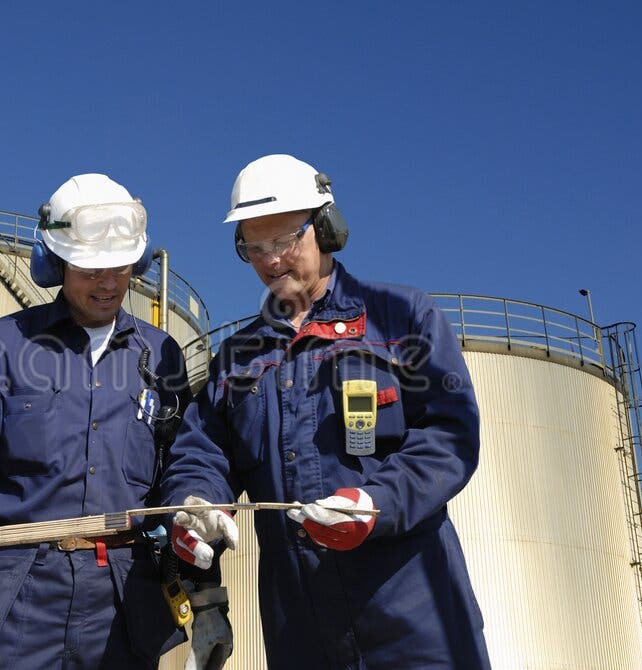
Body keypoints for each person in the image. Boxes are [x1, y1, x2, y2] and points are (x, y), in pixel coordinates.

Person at [0, 174, 227, 670]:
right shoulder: (3, 346)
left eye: (120, 267)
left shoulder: (161, 355)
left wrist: (208, 592)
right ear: (56, 263)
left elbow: (182, 475)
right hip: (14, 605)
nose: (109, 284)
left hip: (124, 607)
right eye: (90, 269)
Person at [160, 154, 490, 669]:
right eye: (253, 246)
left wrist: (377, 500)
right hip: (302, 629)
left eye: (285, 241)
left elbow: (449, 435)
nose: (270, 261)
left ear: (326, 228)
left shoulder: (402, 318)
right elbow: (202, 453)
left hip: (414, 619)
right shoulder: (238, 359)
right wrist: (196, 502)